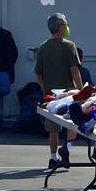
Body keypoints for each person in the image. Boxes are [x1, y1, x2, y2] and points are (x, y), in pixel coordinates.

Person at [33, 12, 83, 170]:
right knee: (72, 123)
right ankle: (66, 150)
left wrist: (44, 89)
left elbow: (38, 73)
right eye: (65, 23)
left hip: (51, 95)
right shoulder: (69, 46)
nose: (67, 26)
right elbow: (74, 71)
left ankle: (53, 157)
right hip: (69, 93)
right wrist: (82, 90)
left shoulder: (43, 48)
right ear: (60, 27)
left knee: (53, 129)